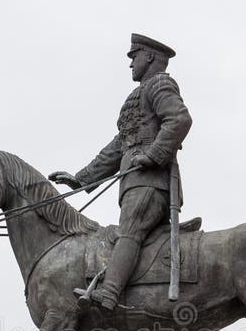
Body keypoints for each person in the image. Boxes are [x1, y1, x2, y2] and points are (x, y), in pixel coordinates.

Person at [50, 32, 192, 309]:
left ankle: (110, 293)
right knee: (132, 235)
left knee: (130, 232)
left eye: (134, 56)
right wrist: (82, 178)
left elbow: (179, 119)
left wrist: (153, 154)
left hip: (151, 182)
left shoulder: (160, 83)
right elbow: (120, 146)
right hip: (135, 181)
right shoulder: (140, 93)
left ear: (149, 56)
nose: (130, 64)